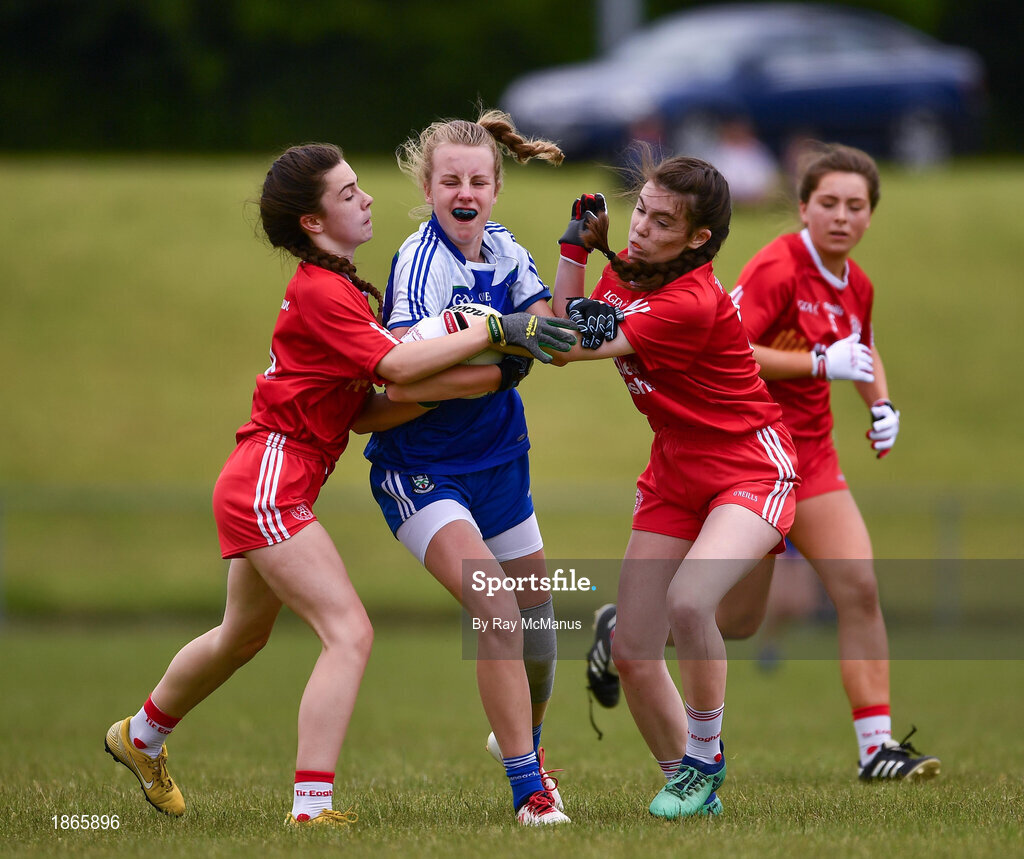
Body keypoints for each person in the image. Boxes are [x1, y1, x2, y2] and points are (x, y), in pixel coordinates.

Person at [103, 142, 572, 826]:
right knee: (349, 632)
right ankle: (310, 806)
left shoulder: (345, 288)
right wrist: (495, 333)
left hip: (270, 480)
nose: (368, 198)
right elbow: (400, 365)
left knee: (241, 636)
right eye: (349, 193)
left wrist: (493, 374)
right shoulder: (326, 292)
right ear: (313, 223)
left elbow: (370, 412)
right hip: (271, 482)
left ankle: (140, 735)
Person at [585, 143, 941, 784]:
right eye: (827, 202)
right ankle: (644, 666)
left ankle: (876, 747)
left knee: (845, 590)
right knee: (722, 617)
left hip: (804, 456)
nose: (840, 216)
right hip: (741, 446)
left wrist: (880, 403)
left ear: (870, 217)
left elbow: (860, 347)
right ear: (802, 208)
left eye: (855, 206)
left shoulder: (855, 283)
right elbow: (735, 343)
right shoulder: (778, 267)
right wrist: (815, 363)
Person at [552, 155, 800, 819]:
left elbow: (568, 344)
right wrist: (575, 249)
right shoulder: (625, 273)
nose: (641, 229)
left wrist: (500, 330)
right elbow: (565, 322)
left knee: (695, 605)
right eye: (642, 211)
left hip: (750, 466)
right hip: (674, 470)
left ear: (696, 238)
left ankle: (704, 759)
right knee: (634, 653)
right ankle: (687, 788)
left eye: (664, 222)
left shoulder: (690, 301)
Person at [362, 109, 583, 826]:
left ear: (495, 189)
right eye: (450, 179)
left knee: (543, 638)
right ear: (428, 187)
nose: (466, 191)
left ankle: (523, 744)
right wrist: (496, 363)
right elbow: (399, 383)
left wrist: (575, 251)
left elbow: (557, 337)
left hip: (499, 463)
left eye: (478, 180)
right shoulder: (420, 264)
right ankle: (530, 790)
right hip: (422, 469)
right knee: (496, 609)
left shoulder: (506, 250)